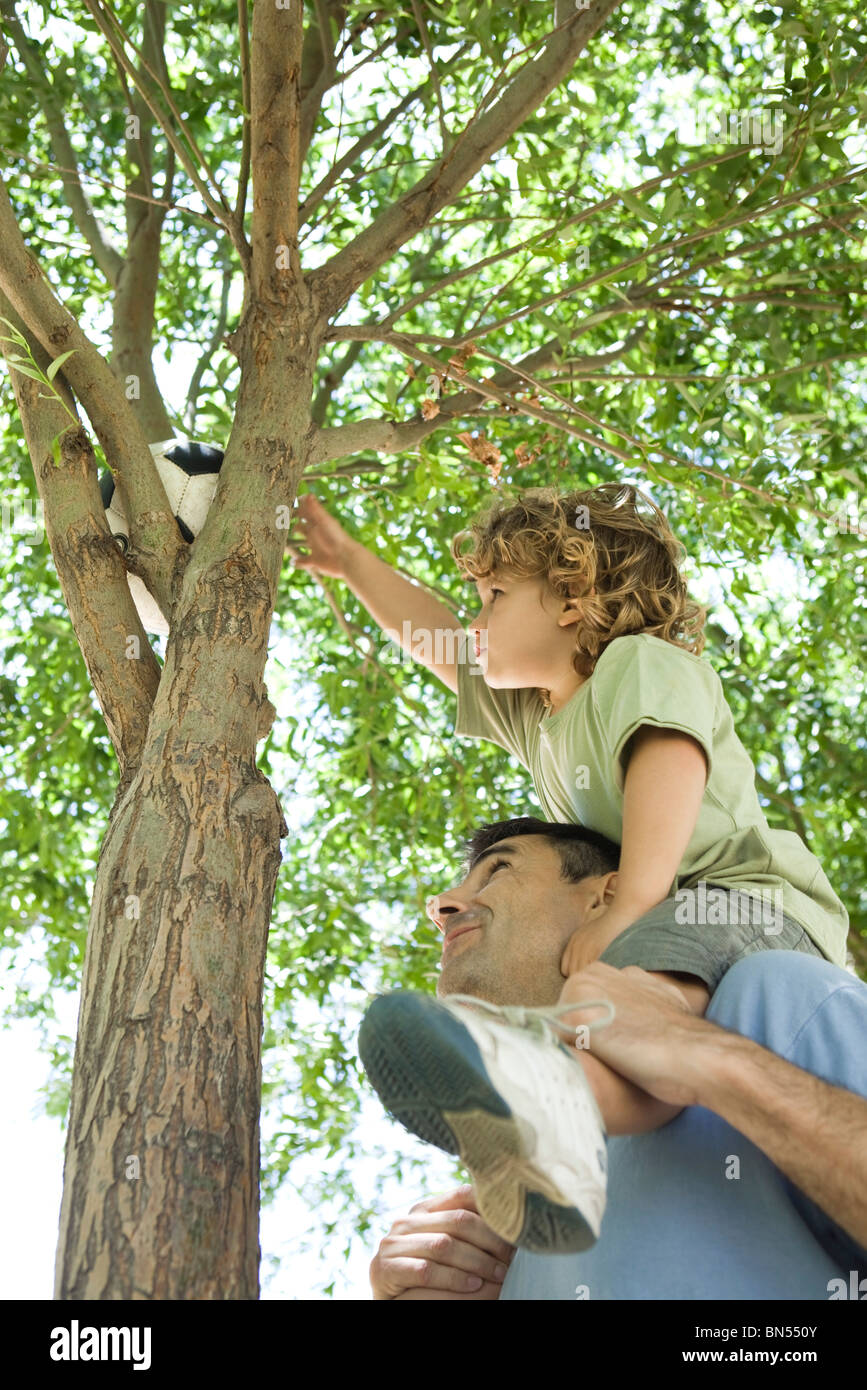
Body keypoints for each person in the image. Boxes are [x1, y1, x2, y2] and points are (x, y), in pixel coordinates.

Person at [291, 485, 850, 1247]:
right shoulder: (537, 719)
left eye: (493, 595)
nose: (477, 618)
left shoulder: (637, 664)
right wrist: (351, 562)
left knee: (628, 988)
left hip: (745, 902)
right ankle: (562, 1137)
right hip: (672, 916)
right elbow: (440, 642)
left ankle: (541, 1086)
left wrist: (629, 905)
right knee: (628, 1033)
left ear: (569, 597)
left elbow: (670, 759)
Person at [365, 821, 867, 1300]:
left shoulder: (766, 996)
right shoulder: (515, 1212)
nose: (443, 907)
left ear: (606, 898)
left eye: (497, 871)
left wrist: (704, 1054)